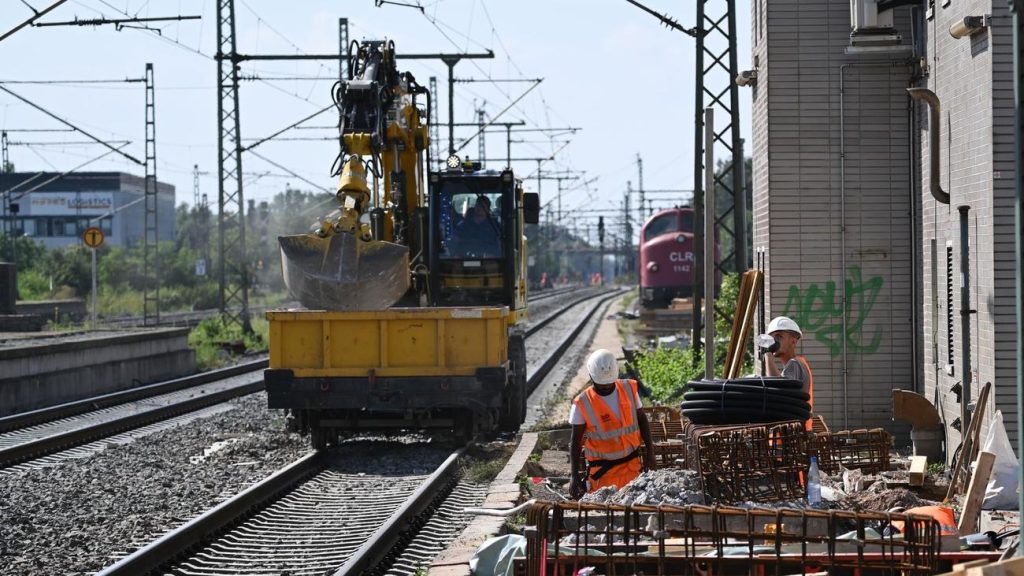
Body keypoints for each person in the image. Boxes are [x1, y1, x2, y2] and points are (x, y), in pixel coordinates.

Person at [569, 349, 655, 499]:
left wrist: (650, 453)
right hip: (603, 476)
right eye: (602, 385)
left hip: (632, 469)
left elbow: (642, 419)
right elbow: (575, 443)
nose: (607, 387)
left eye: (609, 383)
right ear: (591, 377)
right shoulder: (582, 403)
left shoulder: (628, 388)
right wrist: (574, 476)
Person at [762, 316, 814, 429]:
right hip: (795, 435)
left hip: (789, 438)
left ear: (793, 341)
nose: (773, 341)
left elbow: (777, 390)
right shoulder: (800, 363)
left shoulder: (794, 364)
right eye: (771, 338)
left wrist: (768, 356)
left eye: (779, 336)